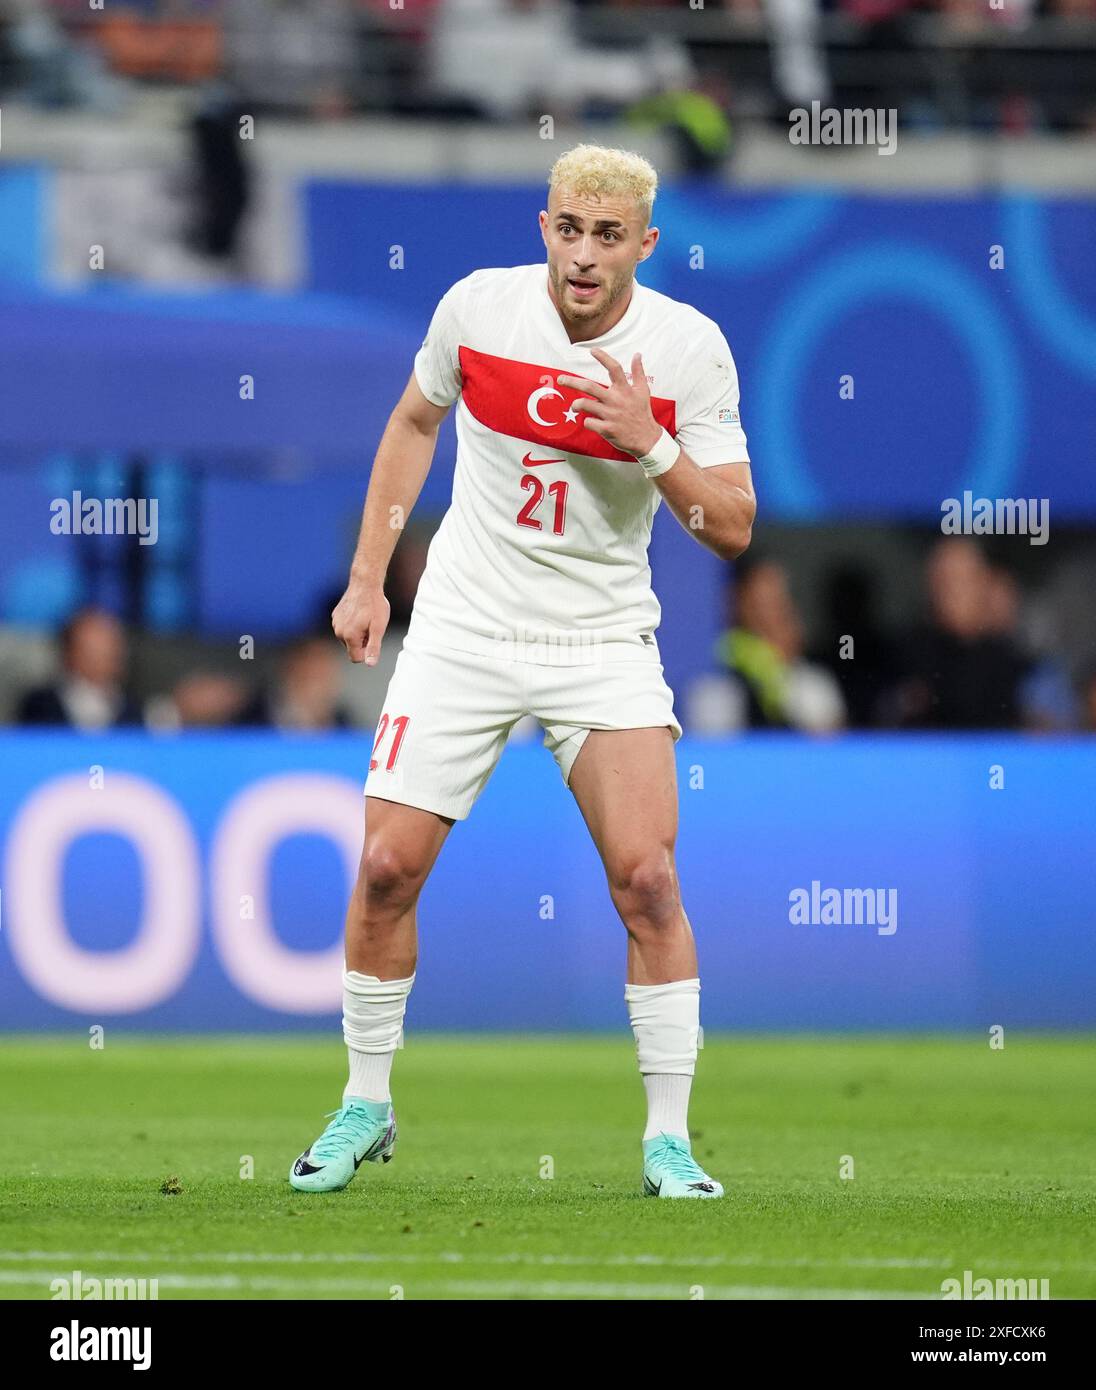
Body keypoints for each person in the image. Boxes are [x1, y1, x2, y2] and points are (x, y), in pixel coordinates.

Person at [289, 144, 756, 1200]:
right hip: (461, 629)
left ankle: (667, 1139)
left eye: (607, 236)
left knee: (647, 879)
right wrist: (370, 581)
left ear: (644, 243)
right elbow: (413, 422)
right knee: (383, 870)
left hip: (598, 641)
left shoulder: (688, 351)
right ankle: (366, 1101)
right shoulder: (478, 311)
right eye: (567, 229)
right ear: (541, 225)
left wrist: (650, 447)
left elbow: (729, 526)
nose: (583, 256)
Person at [17, 607, 142, 730]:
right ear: (69, 653)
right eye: (92, 651)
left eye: (110, 651)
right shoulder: (41, 705)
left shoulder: (131, 709)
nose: (103, 659)